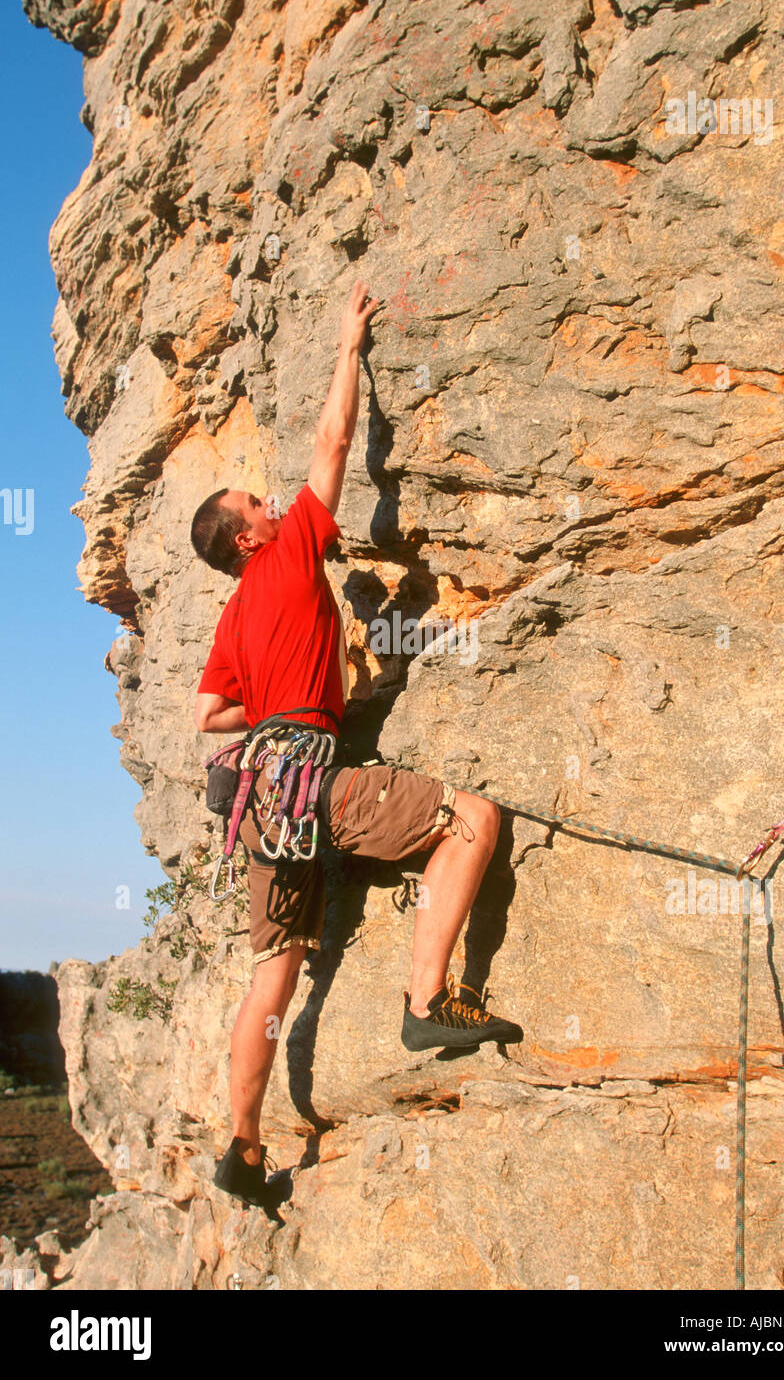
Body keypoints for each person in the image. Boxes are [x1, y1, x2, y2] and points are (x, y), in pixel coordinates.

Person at [191, 281, 522, 1207]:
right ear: (249, 536)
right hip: (314, 782)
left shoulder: (230, 622)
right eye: (256, 501)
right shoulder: (291, 549)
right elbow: (334, 446)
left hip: (263, 804)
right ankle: (425, 1004)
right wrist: (347, 347)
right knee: (471, 819)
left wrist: (271, 706)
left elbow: (207, 717)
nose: (272, 498)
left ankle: (245, 1145)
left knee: (274, 976)